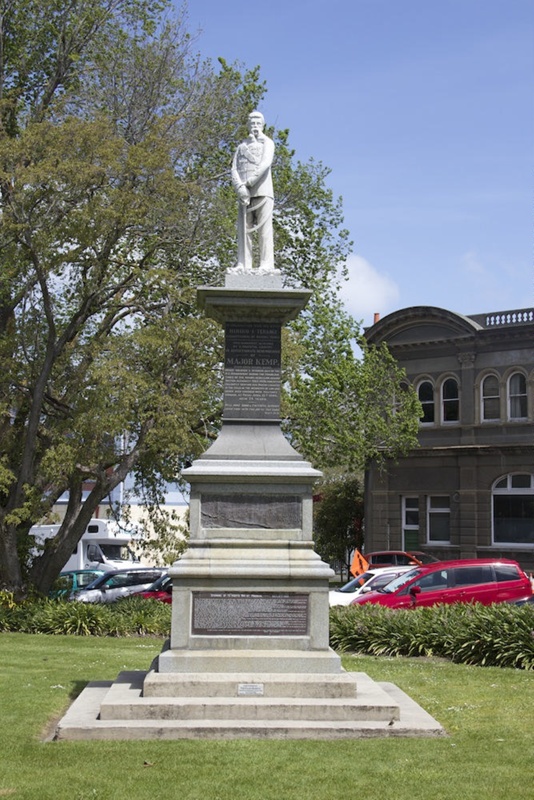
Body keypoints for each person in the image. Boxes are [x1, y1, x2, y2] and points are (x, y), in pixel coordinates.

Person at [231, 110, 275, 271]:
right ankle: (243, 263)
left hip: (263, 191)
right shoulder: (241, 146)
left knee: (264, 230)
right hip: (244, 194)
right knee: (244, 231)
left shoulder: (268, 143)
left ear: (262, 125)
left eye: (258, 123)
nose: (255, 126)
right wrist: (240, 187)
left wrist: (249, 182)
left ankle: (266, 264)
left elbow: (265, 164)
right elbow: (234, 168)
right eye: (252, 123)